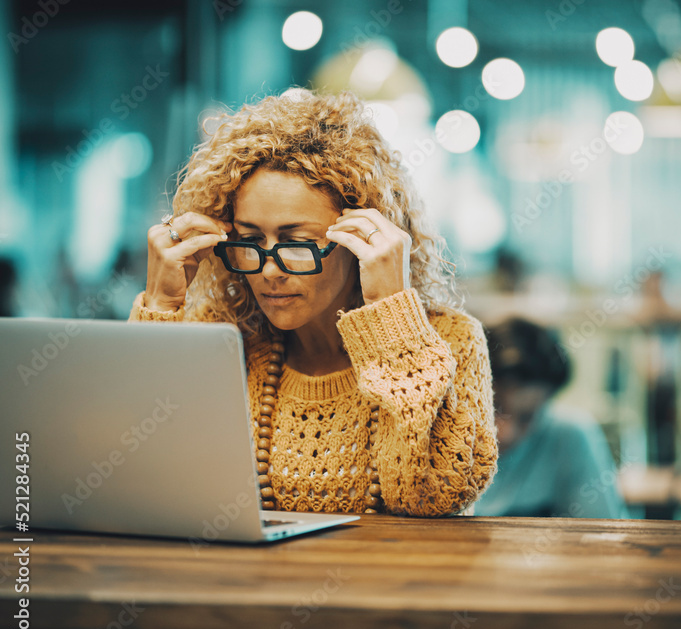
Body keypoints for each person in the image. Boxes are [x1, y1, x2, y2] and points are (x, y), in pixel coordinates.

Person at [130, 90, 497, 517]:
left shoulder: (447, 341)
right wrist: (161, 304)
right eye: (249, 240)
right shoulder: (221, 338)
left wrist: (392, 315)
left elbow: (436, 495)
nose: (268, 271)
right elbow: (141, 475)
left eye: (297, 243)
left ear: (360, 241)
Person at [475, 318, 628, 519]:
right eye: (496, 409)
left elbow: (604, 535)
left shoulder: (570, 437)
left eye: (526, 417)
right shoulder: (439, 441)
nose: (506, 434)